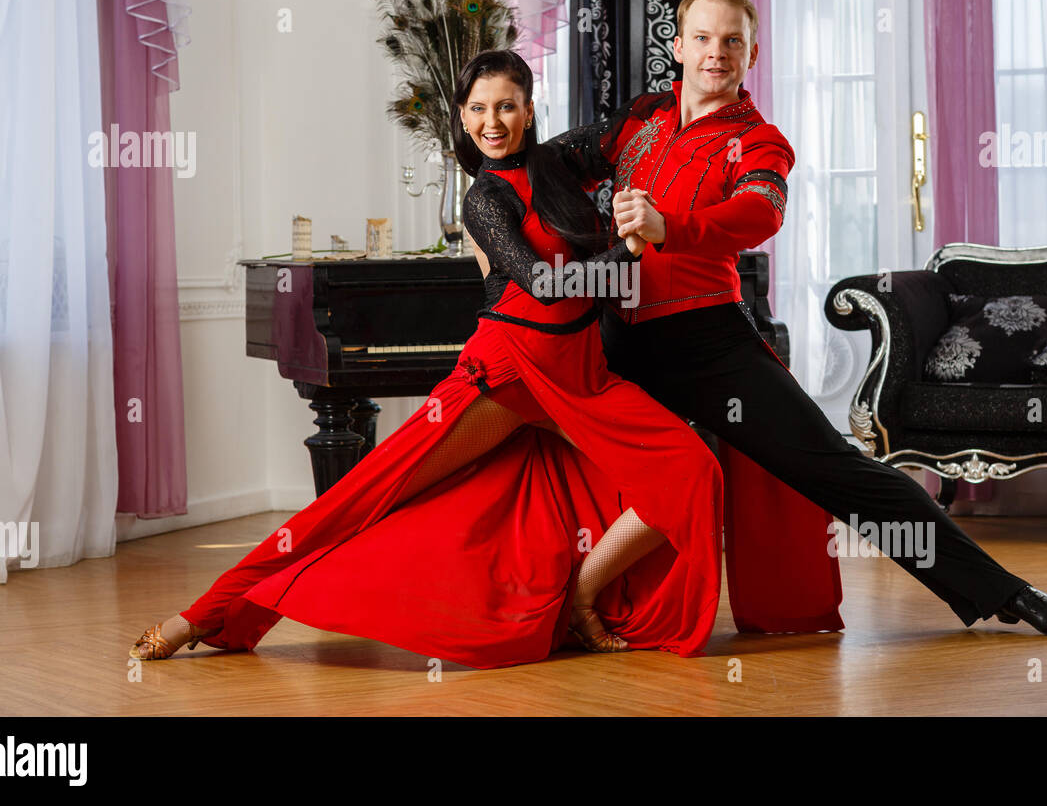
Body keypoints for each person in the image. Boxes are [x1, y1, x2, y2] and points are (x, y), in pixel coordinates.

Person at [129, 48, 836, 669]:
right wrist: (631, 247)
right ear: (461, 117)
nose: (491, 122)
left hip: (582, 376)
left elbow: (635, 130)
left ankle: (581, 596)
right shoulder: (485, 197)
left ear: (530, 110)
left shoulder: (559, 167)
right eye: (477, 109)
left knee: (691, 473)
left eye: (506, 106)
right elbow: (541, 283)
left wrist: (685, 107)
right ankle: (207, 615)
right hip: (508, 371)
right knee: (364, 496)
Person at [547, 0, 1047, 637]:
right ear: (678, 45)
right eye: (704, 38)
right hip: (613, 337)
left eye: (732, 42)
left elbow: (758, 212)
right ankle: (549, 605)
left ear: (752, 54)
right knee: (538, 441)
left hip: (704, 345)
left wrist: (671, 225)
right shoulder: (639, 121)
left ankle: (1003, 591)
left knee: (832, 465)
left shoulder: (759, 141)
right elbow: (545, 163)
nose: (716, 53)